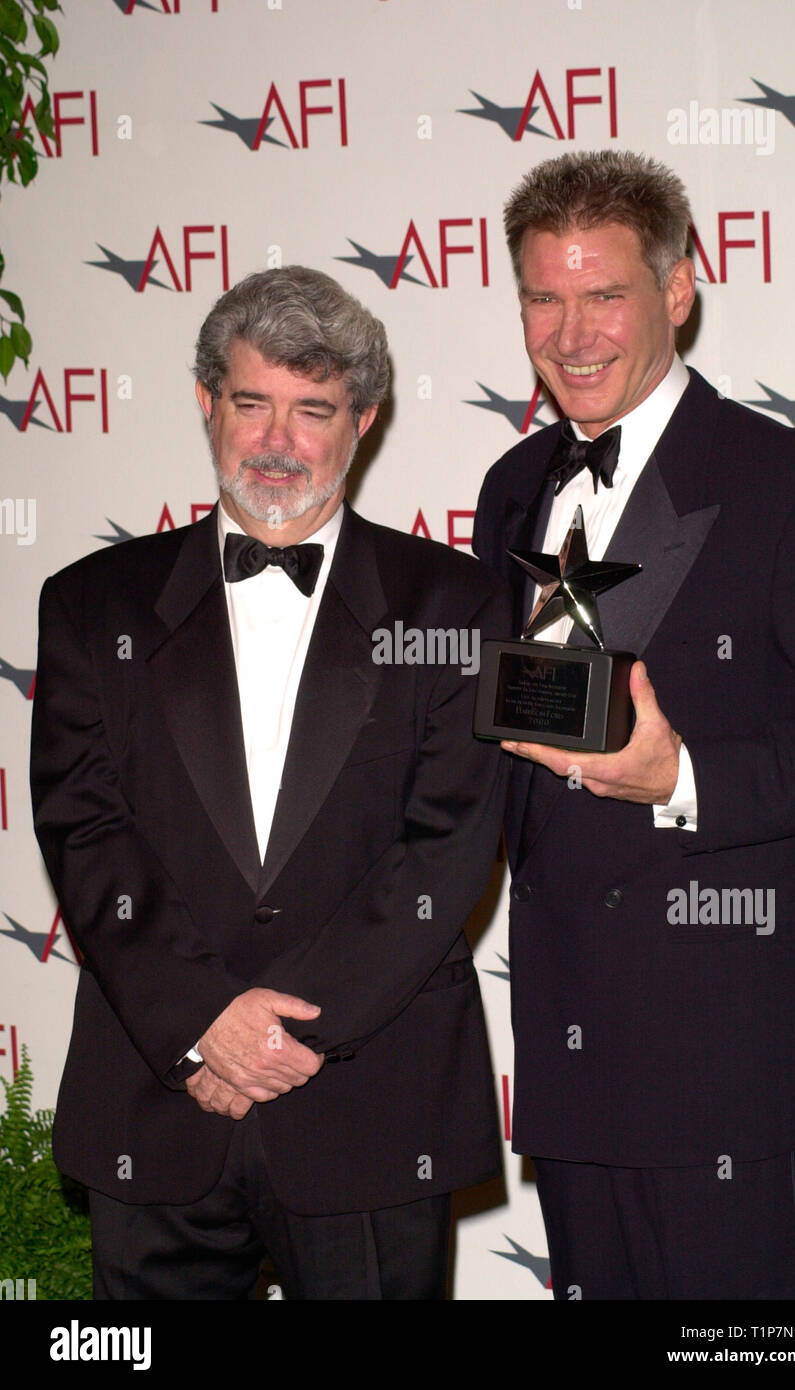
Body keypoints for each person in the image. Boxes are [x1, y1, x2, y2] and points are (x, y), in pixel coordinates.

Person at [31, 266, 510, 1300]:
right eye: (252, 404)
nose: (279, 442)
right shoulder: (88, 605)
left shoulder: (456, 605)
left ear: (364, 422)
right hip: (159, 1100)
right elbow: (85, 830)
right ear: (207, 402)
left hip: (370, 1105)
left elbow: (448, 841)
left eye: (314, 410)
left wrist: (280, 1032)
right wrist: (205, 1018)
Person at [473, 150, 795, 1300]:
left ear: (677, 292)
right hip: (569, 1055)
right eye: (545, 296)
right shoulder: (510, 486)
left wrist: (682, 776)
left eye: (605, 294)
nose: (571, 332)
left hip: (721, 1068)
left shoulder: (790, 479)